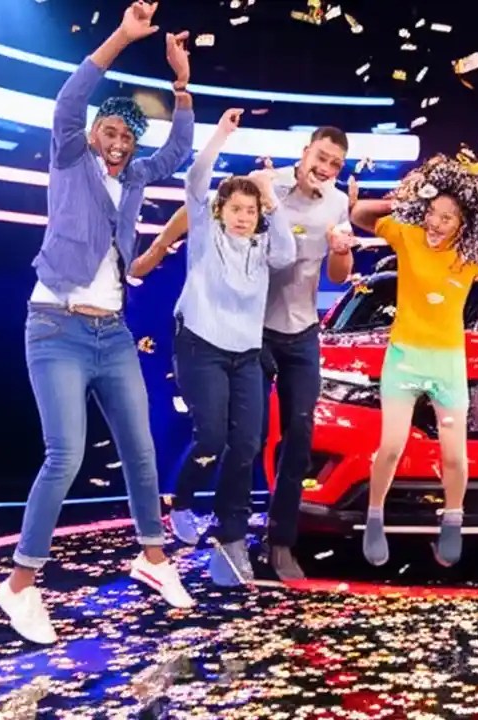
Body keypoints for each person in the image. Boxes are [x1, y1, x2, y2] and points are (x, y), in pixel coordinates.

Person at [0, 1, 195, 645]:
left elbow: (179, 154)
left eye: (126, 137)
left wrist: (181, 84)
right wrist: (122, 37)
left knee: (141, 450)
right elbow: (67, 99)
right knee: (66, 455)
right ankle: (20, 586)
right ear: (93, 134)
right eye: (109, 131)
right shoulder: (68, 159)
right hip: (55, 326)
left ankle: (153, 559)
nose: (117, 143)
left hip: (111, 334)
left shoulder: (135, 176)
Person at [149, 127, 356, 580]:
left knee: (300, 438)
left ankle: (281, 541)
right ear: (304, 153)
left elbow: (339, 275)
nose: (325, 169)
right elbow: (201, 210)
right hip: (252, 331)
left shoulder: (339, 203)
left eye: (334, 164)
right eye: (320, 158)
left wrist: (342, 252)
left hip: (302, 332)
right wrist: (159, 247)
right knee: (247, 439)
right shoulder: (263, 184)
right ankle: (231, 536)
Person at [131, 108, 297, 585]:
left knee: (247, 443)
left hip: (246, 354)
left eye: (251, 211)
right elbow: (198, 177)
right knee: (213, 439)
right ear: (220, 212)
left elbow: (285, 251)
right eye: (236, 210)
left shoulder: (264, 247)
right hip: (200, 345)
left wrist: (272, 201)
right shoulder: (205, 236)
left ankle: (230, 535)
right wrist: (222, 134)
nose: (244, 218)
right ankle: (181, 500)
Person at [350, 154, 478, 567]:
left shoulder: (471, 257)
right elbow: (359, 213)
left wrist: (474, 196)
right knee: (390, 446)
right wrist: (408, 200)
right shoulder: (406, 234)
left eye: (448, 217)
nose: (436, 224)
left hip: (447, 365)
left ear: (464, 224)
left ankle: (453, 522)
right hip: (403, 358)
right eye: (432, 213)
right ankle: (374, 518)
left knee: (456, 456)